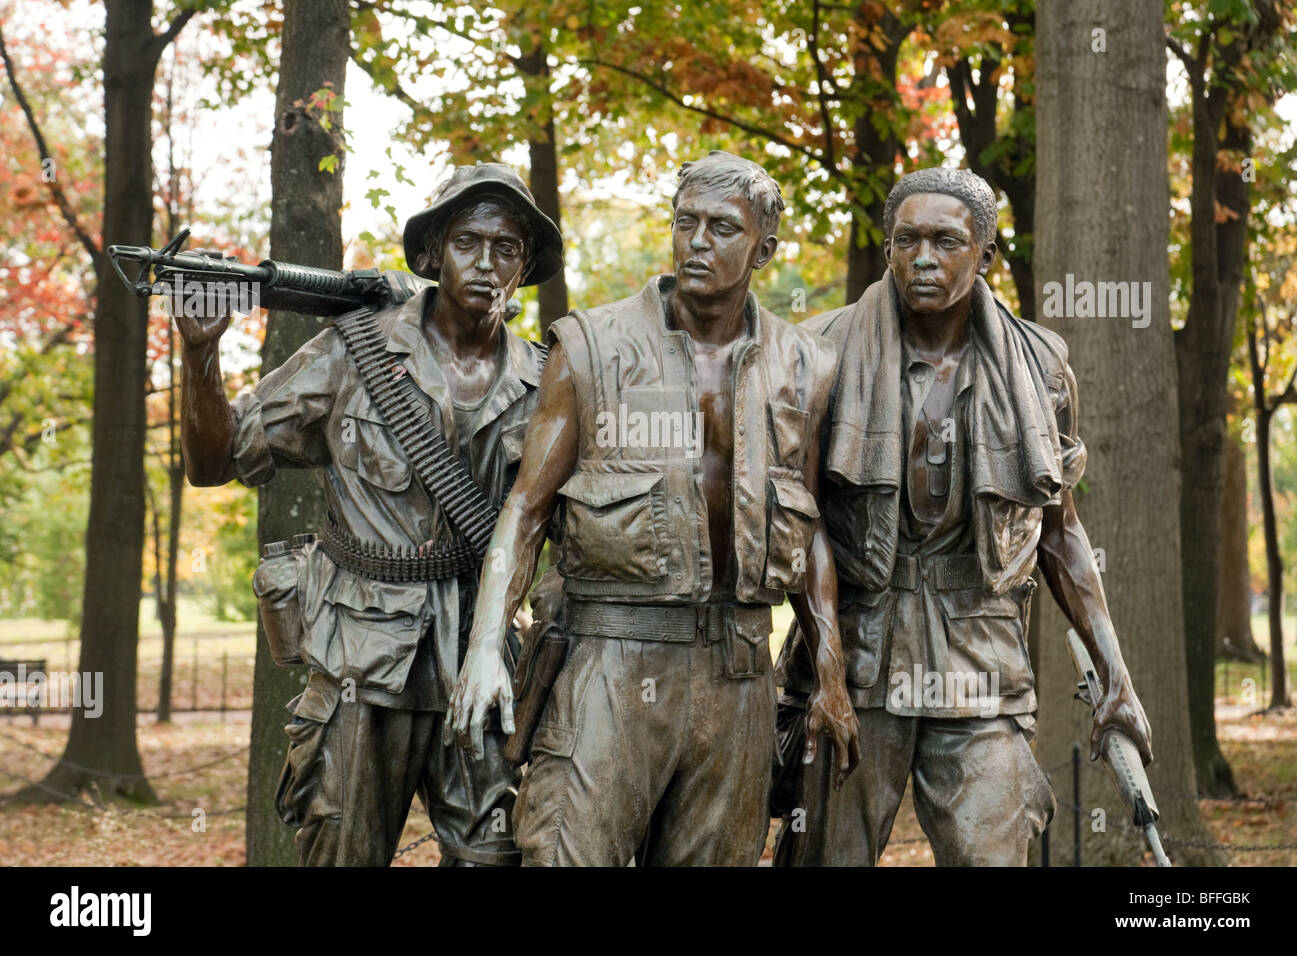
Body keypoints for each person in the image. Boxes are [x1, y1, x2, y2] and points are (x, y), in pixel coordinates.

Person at [446, 150, 860, 866]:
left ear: (765, 247)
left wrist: (830, 673)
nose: (698, 241)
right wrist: (485, 645)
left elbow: (812, 522)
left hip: (737, 671)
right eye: (685, 222)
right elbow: (526, 507)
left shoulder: (806, 366)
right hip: (609, 656)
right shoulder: (590, 345)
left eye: (723, 228)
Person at [173, 163, 563, 866]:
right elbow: (213, 461)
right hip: (361, 660)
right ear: (434, 252)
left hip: (482, 660)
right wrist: (200, 355)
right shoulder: (355, 354)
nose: (485, 262)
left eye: (506, 248)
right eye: (467, 241)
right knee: (343, 852)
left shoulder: (545, 381)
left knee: (495, 858)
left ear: (526, 264)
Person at [772, 167, 1153, 866]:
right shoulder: (819, 351)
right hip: (859, 656)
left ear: (985, 252)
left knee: (995, 851)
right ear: (888, 248)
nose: (923, 257)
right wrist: (826, 673)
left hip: (981, 659)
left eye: (946, 241)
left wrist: (1115, 673)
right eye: (906, 240)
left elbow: (1059, 530)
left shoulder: (1040, 366)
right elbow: (802, 521)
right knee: (827, 855)